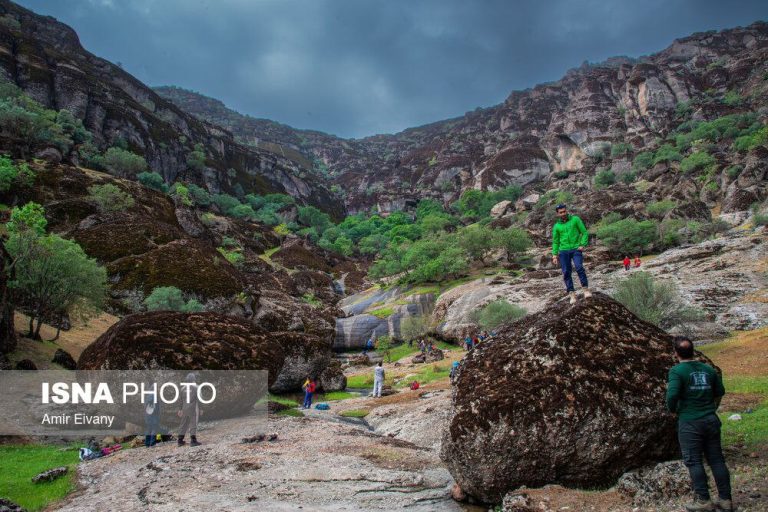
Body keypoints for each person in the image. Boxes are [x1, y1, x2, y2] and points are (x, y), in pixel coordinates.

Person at [666, 336, 732, 512]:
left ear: (675, 353)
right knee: (717, 459)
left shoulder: (677, 371)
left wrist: (673, 409)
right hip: (710, 419)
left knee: (694, 461)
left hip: (690, 421)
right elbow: (720, 391)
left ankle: (704, 500)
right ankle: (726, 499)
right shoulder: (707, 370)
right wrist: (711, 405)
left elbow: (672, 395)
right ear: (693, 351)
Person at [551, 203, 591, 304]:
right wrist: (554, 255)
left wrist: (582, 244)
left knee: (579, 267)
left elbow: (584, 232)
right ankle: (572, 294)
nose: (563, 213)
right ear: (558, 214)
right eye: (561, 212)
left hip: (576, 249)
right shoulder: (556, 226)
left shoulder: (575, 219)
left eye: (564, 211)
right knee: (566, 272)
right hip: (563, 251)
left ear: (566, 210)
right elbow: (556, 242)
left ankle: (585, 289)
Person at [177, 373, 201, 447]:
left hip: (184, 408)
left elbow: (180, 400)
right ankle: (193, 441)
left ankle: (180, 440)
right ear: (193, 379)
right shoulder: (196, 387)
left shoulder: (182, 388)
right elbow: (199, 399)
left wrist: (180, 409)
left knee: (183, 424)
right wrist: (201, 408)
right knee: (193, 423)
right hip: (192, 408)